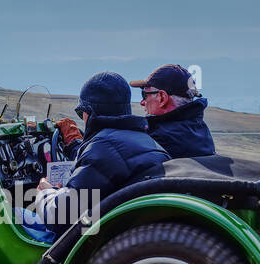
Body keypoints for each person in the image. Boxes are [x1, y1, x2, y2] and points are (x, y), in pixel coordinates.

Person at [33, 71, 168, 232]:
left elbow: (60, 216)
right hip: (130, 230)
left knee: (15, 214)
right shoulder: (146, 141)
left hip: (96, 238)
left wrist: (45, 193)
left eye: (80, 112)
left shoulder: (103, 148)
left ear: (89, 112)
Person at [129, 63, 216, 158]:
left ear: (162, 98)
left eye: (144, 95)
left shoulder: (156, 140)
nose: (142, 102)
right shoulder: (201, 131)